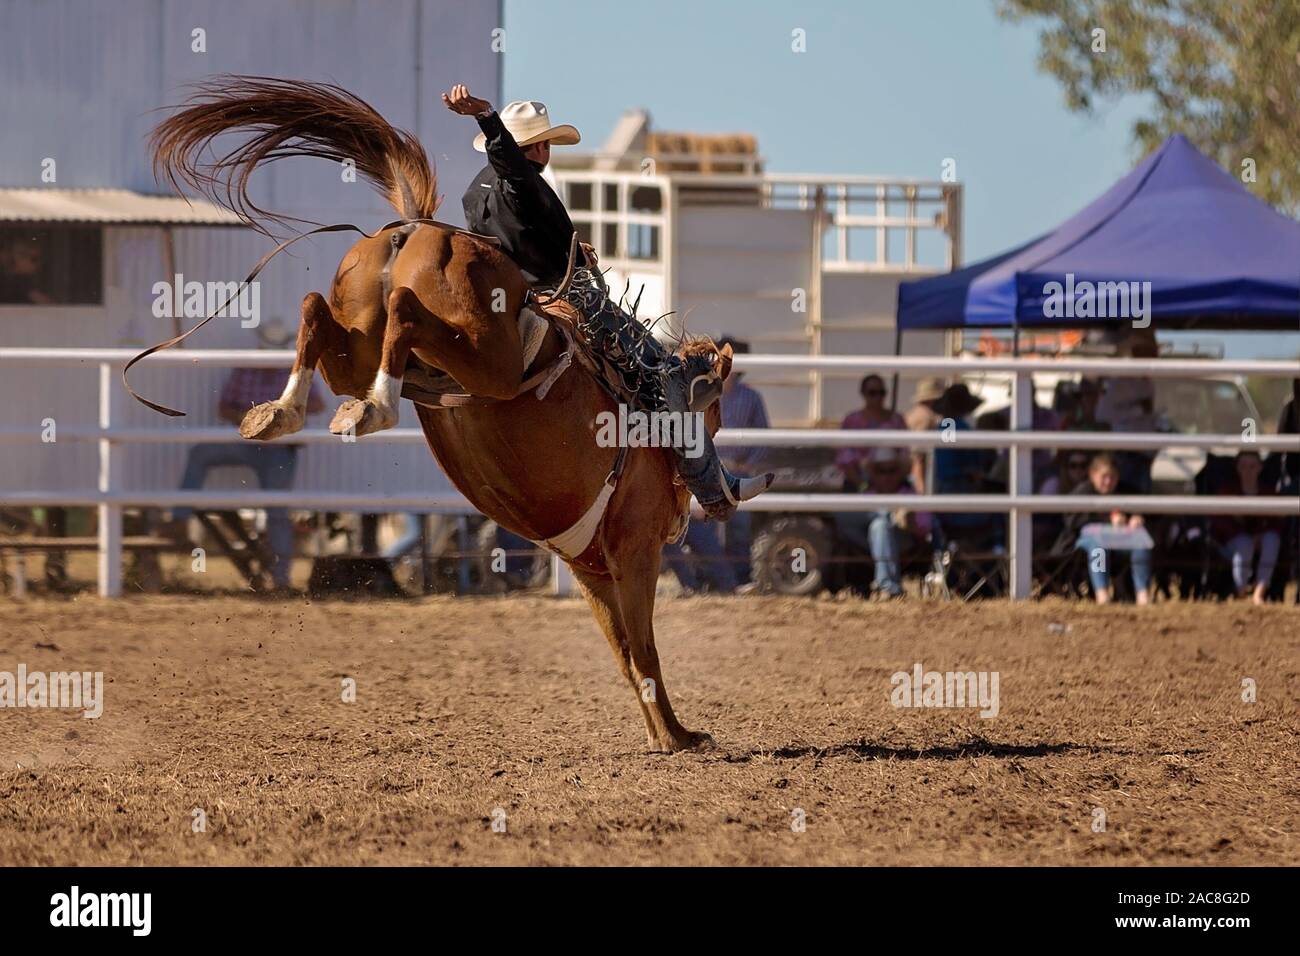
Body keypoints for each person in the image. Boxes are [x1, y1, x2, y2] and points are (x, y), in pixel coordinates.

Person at [443, 84, 771, 520]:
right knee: (665, 373)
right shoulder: (517, 179)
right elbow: (513, 172)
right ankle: (713, 487)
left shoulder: (476, 189)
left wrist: (567, 252)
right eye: (544, 144)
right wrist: (486, 115)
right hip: (569, 298)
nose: (547, 153)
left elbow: (515, 237)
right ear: (537, 147)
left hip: (520, 297)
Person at [174, 320, 323, 589]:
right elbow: (224, 408)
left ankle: (281, 579)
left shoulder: (293, 372)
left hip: (278, 449)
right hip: (249, 443)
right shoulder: (248, 369)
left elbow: (317, 404)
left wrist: (286, 412)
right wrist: (247, 416)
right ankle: (179, 518)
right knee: (201, 453)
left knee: (277, 512)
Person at [1058, 452, 1152, 605]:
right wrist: (1109, 519)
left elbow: (1150, 512)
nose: (1108, 482)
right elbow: (1072, 522)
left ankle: (1143, 593)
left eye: (1112, 477)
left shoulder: (1126, 491)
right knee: (1098, 548)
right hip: (1086, 543)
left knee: (1141, 545)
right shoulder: (1083, 492)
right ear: (1093, 475)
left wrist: (1136, 517)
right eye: (1104, 477)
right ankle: (1102, 592)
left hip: (1120, 543)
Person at [837, 447, 931, 598]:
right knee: (853, 521)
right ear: (874, 473)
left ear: (899, 473)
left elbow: (925, 528)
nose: (887, 476)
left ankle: (889, 587)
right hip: (866, 543)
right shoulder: (868, 494)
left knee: (879, 526)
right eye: (881, 471)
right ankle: (887, 515)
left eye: (891, 470)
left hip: (905, 542)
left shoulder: (908, 493)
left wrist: (909, 522)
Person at [1209, 451, 1283, 605]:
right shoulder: (1227, 492)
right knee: (1244, 543)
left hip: (1260, 540)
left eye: (1252, 466)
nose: (1248, 471)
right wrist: (1245, 534)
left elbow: (1276, 522)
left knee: (1271, 540)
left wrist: (1258, 534)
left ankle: (1259, 591)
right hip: (1232, 544)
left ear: (1260, 468)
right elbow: (1220, 524)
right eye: (1243, 466)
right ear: (1237, 468)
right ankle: (1240, 591)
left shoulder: (1269, 494)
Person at [835, 374, 906, 491]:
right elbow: (845, 458)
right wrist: (862, 486)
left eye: (881, 392)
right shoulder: (852, 421)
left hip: (892, 485)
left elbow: (904, 455)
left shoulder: (897, 420)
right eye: (872, 393)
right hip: (858, 484)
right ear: (863, 393)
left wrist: (889, 485)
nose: (878, 397)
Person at [903, 377, 946, 494]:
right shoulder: (927, 418)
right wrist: (920, 486)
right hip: (918, 477)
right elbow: (918, 455)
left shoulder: (913, 414)